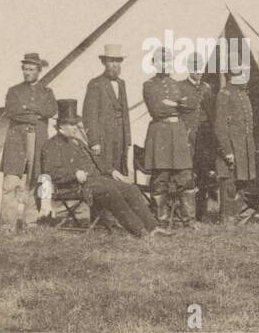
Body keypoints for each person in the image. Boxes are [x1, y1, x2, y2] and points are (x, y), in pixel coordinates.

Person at [41, 99, 166, 238]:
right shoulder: (51, 145)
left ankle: (153, 227)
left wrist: (112, 171)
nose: (75, 127)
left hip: (96, 181)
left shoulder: (78, 141)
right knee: (111, 191)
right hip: (73, 185)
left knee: (131, 189)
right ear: (60, 126)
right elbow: (50, 172)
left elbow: (97, 162)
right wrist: (74, 174)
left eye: (76, 123)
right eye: (71, 124)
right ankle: (140, 231)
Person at [0, 52, 58, 232]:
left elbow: (51, 111)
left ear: (39, 71)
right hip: (16, 140)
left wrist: (27, 108)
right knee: (11, 182)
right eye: (25, 69)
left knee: (34, 181)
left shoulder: (47, 92)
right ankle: (7, 226)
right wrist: (35, 113)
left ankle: (29, 223)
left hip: (38, 139)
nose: (27, 72)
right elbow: (11, 111)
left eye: (31, 69)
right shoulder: (14, 91)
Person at [142, 48, 196, 226]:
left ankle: (189, 219)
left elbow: (190, 106)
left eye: (169, 61)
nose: (166, 65)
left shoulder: (177, 84)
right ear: (155, 64)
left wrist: (174, 104)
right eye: (162, 61)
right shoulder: (149, 85)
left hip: (178, 133)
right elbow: (157, 110)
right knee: (160, 178)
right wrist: (178, 105)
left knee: (185, 177)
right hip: (160, 134)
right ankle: (162, 219)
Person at [213, 55, 256, 223]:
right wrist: (227, 151)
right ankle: (227, 217)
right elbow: (220, 126)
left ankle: (235, 214)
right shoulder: (224, 94)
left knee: (241, 182)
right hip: (231, 146)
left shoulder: (241, 93)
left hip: (243, 147)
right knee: (228, 182)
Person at [82, 43, 132, 176]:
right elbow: (89, 115)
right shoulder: (95, 84)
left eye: (117, 61)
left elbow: (125, 112)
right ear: (104, 62)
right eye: (111, 61)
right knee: (105, 171)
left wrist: (127, 139)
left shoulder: (122, 84)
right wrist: (94, 142)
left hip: (120, 137)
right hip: (104, 138)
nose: (114, 64)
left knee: (119, 170)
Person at [183, 51, 218, 221]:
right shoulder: (181, 87)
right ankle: (187, 212)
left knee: (203, 174)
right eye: (194, 68)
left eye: (200, 68)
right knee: (188, 174)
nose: (197, 72)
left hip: (203, 138)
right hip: (187, 137)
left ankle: (201, 213)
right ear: (189, 68)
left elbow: (212, 114)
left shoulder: (207, 88)